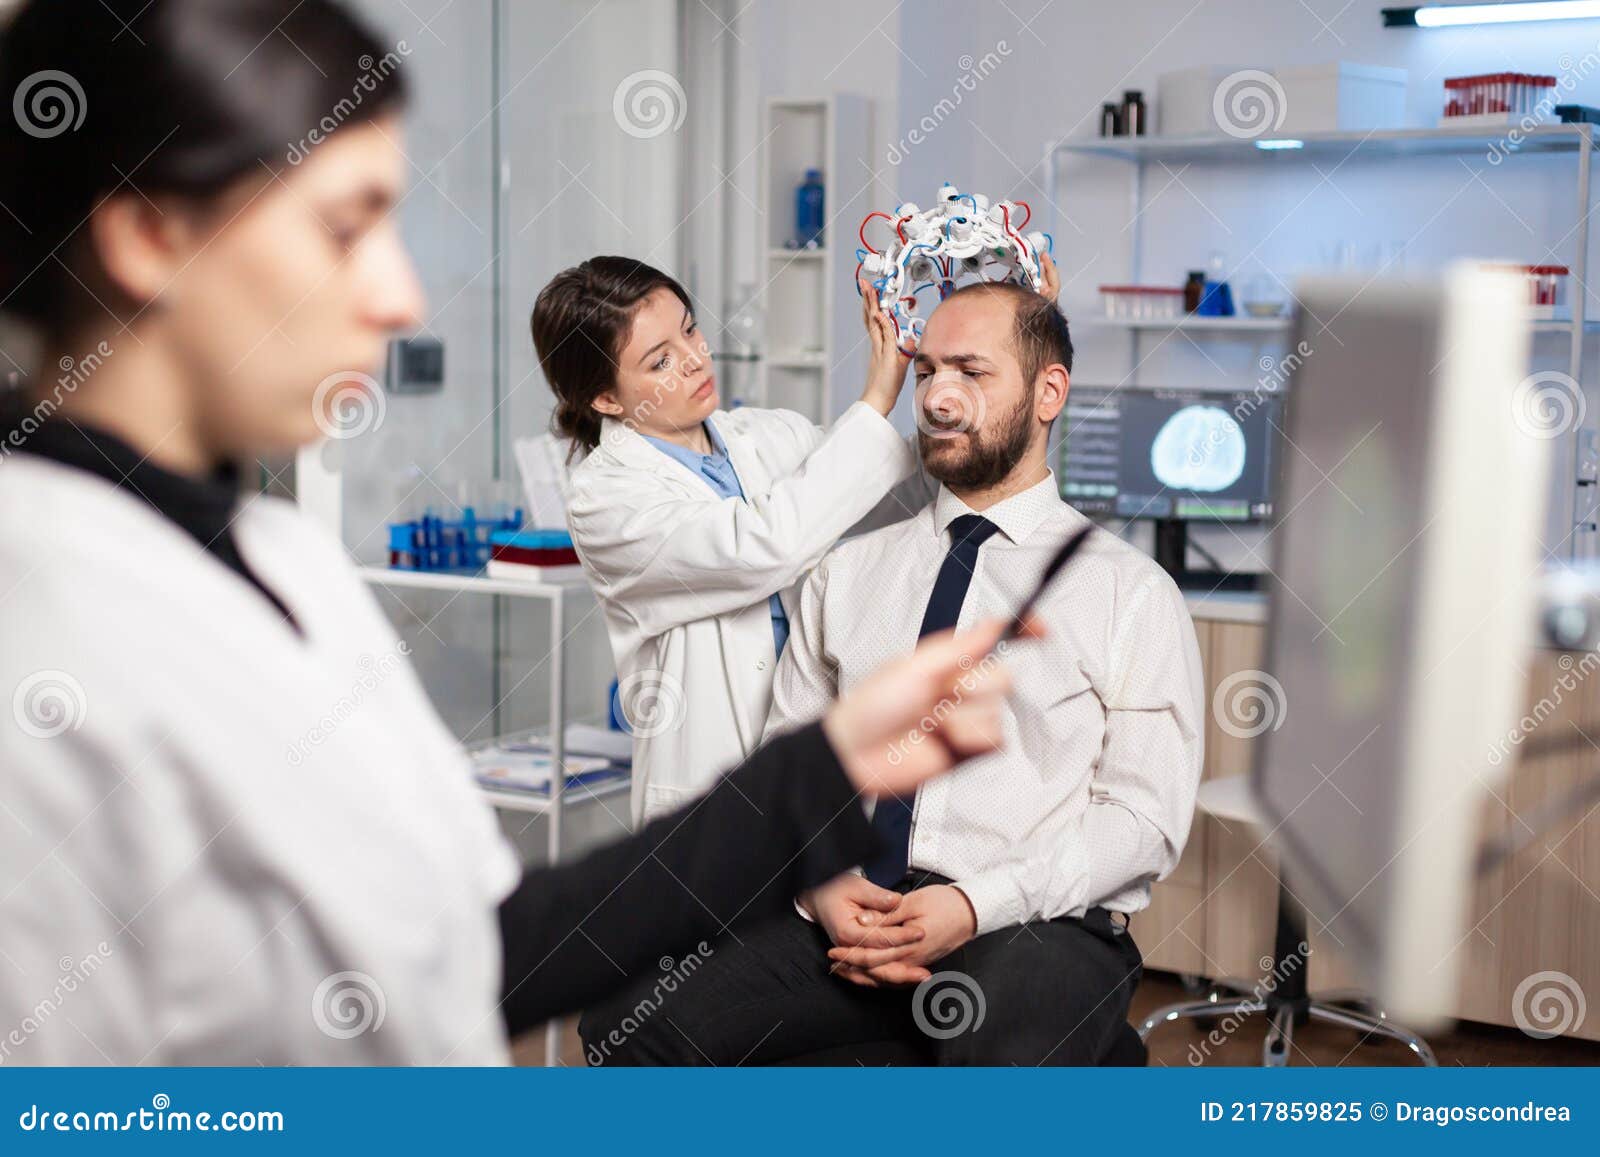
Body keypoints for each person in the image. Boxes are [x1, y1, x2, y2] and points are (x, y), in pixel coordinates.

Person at [0, 0, 1027, 1065]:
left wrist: (818, 768)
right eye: (345, 227)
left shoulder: (280, 557)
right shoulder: (38, 623)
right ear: (151, 237)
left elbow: (471, 948)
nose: (400, 296)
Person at [582, 280, 1206, 1065]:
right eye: (927, 373)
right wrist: (823, 882)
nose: (939, 398)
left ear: (1049, 392)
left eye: (972, 373)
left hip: (1026, 922)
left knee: (1008, 1026)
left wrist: (974, 905)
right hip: (853, 911)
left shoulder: (1128, 590)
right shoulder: (848, 571)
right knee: (630, 1018)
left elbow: (1142, 820)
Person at [531, 252, 1058, 822]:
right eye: (661, 362)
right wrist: (877, 394)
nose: (694, 359)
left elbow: (894, 499)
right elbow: (765, 547)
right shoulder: (605, 499)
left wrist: (1019, 359)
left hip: (822, 767)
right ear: (606, 399)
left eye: (690, 329)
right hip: (709, 791)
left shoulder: (765, 434)